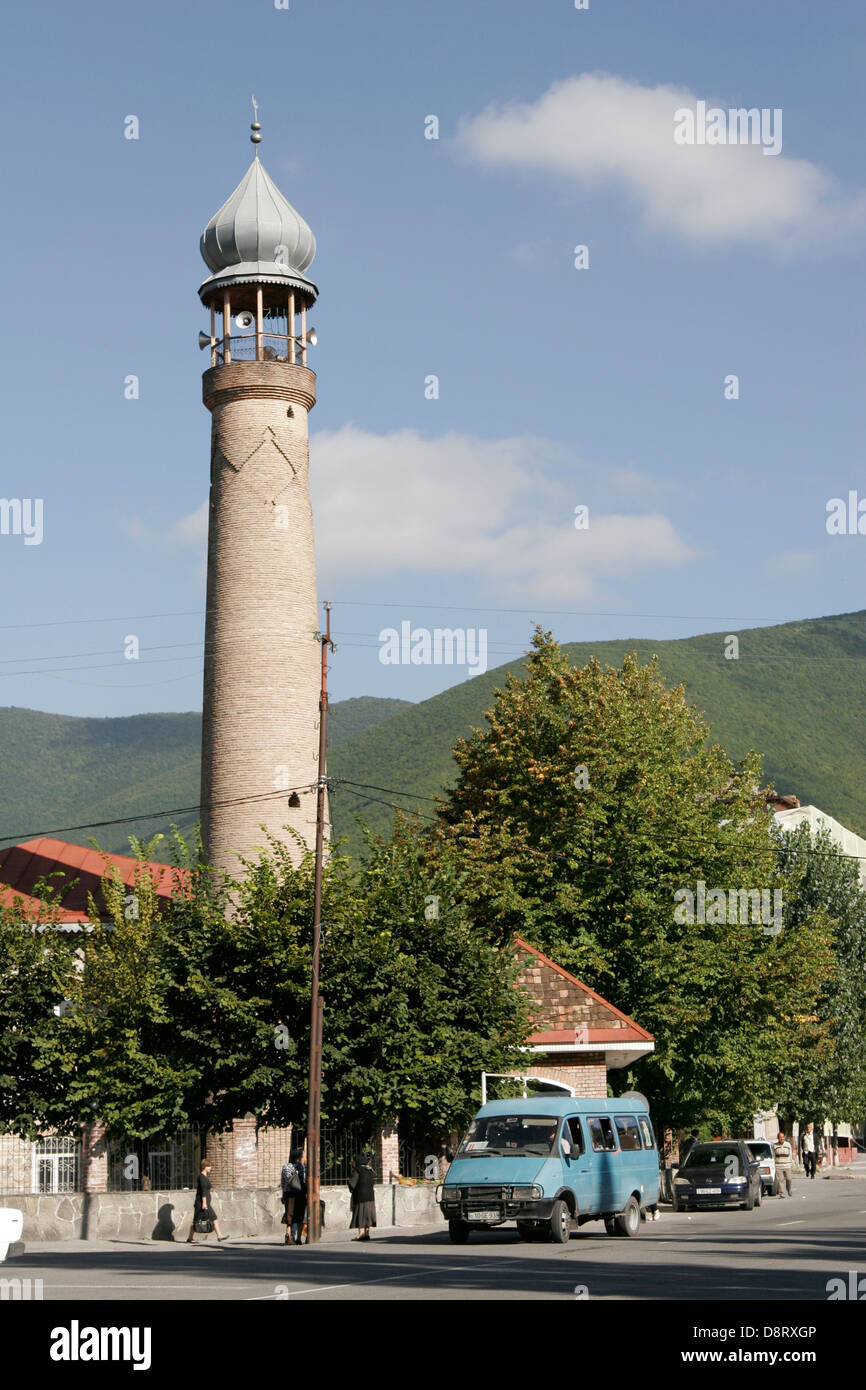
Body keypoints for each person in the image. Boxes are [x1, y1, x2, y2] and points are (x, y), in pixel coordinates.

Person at [187, 1160, 227, 1243]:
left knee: (198, 1219)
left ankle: (190, 1238)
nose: (210, 1168)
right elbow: (203, 1191)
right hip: (202, 1203)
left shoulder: (204, 1177)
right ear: (205, 1167)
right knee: (208, 1218)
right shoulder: (202, 1177)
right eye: (209, 1166)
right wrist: (204, 1203)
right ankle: (219, 1235)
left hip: (205, 1202)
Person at [280, 1147, 307, 1246]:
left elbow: (283, 1182)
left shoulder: (285, 1167)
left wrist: (283, 1194)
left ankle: (288, 1234)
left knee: (289, 1214)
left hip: (288, 1194)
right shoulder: (301, 1167)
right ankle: (299, 1238)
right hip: (299, 1194)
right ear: (299, 1157)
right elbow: (304, 1179)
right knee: (299, 1215)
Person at [348, 1154, 377, 1241]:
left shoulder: (357, 1170)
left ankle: (360, 1234)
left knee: (360, 1214)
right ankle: (367, 1233)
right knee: (368, 1215)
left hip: (360, 1197)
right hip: (370, 1197)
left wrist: (349, 1183)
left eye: (354, 1161)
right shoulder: (370, 1170)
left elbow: (352, 1184)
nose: (353, 1163)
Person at [773, 1131, 794, 1197]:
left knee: (789, 1179)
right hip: (778, 1165)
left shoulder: (788, 1145)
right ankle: (782, 1193)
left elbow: (790, 1154)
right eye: (780, 1137)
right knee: (780, 1180)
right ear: (778, 1138)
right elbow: (773, 1156)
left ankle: (789, 1189)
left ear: (784, 1137)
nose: (781, 1138)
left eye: (782, 1137)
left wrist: (791, 1163)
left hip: (787, 1165)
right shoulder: (775, 1146)